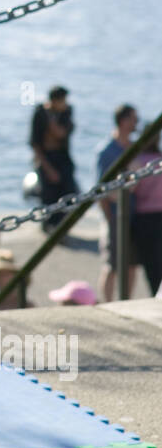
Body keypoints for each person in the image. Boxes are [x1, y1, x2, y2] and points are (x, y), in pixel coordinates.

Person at [96, 104, 139, 301]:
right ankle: (108, 302)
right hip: (114, 213)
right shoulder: (106, 151)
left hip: (133, 213)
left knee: (131, 263)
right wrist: (108, 217)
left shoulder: (134, 147)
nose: (136, 123)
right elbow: (100, 189)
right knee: (112, 264)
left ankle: (127, 301)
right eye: (133, 119)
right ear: (123, 121)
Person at [30, 87, 77, 232]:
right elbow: (35, 143)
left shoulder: (66, 112)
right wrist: (47, 168)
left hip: (62, 158)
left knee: (68, 191)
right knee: (49, 195)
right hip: (46, 158)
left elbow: (62, 133)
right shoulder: (40, 114)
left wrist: (52, 117)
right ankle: (49, 226)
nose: (65, 103)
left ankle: (62, 226)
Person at [130, 127, 162, 297]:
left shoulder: (139, 162)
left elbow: (130, 188)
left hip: (145, 219)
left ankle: (156, 299)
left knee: (152, 267)